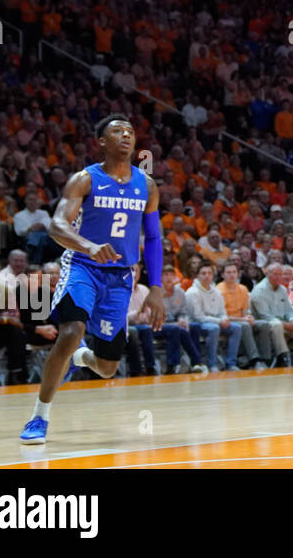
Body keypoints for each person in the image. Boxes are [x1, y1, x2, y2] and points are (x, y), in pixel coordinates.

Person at [21, 114, 165, 444]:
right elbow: (57, 226)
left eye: (130, 131)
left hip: (121, 278)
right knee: (72, 330)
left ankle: (80, 357)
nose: (126, 135)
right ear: (101, 141)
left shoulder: (147, 185)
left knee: (107, 367)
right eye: (117, 131)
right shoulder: (84, 179)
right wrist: (88, 246)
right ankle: (39, 417)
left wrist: (155, 287)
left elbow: (154, 238)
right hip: (83, 267)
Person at [250, 264, 293, 366]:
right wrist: (286, 325)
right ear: (267, 274)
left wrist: (292, 320)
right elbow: (264, 316)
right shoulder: (259, 290)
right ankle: (283, 356)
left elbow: (288, 310)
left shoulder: (282, 289)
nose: (279, 277)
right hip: (266, 325)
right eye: (275, 274)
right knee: (276, 325)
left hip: (284, 323)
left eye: (280, 274)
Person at [186, 263, 242, 371]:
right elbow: (198, 316)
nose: (207, 276)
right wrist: (219, 321)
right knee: (214, 328)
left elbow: (222, 311)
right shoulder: (192, 292)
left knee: (236, 328)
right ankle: (212, 364)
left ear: (213, 276)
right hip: (197, 324)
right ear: (197, 276)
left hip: (216, 321)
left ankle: (231, 363)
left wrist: (224, 318)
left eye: (209, 273)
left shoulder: (216, 292)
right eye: (203, 273)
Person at [158, 265, 207, 374]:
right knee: (175, 329)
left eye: (171, 275)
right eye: (166, 275)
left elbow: (183, 312)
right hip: (159, 325)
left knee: (194, 326)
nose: (169, 278)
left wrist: (182, 320)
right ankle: (178, 364)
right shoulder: (156, 293)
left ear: (175, 277)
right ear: (160, 277)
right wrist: (177, 323)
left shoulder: (180, 292)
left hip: (176, 324)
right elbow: (157, 316)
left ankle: (194, 364)